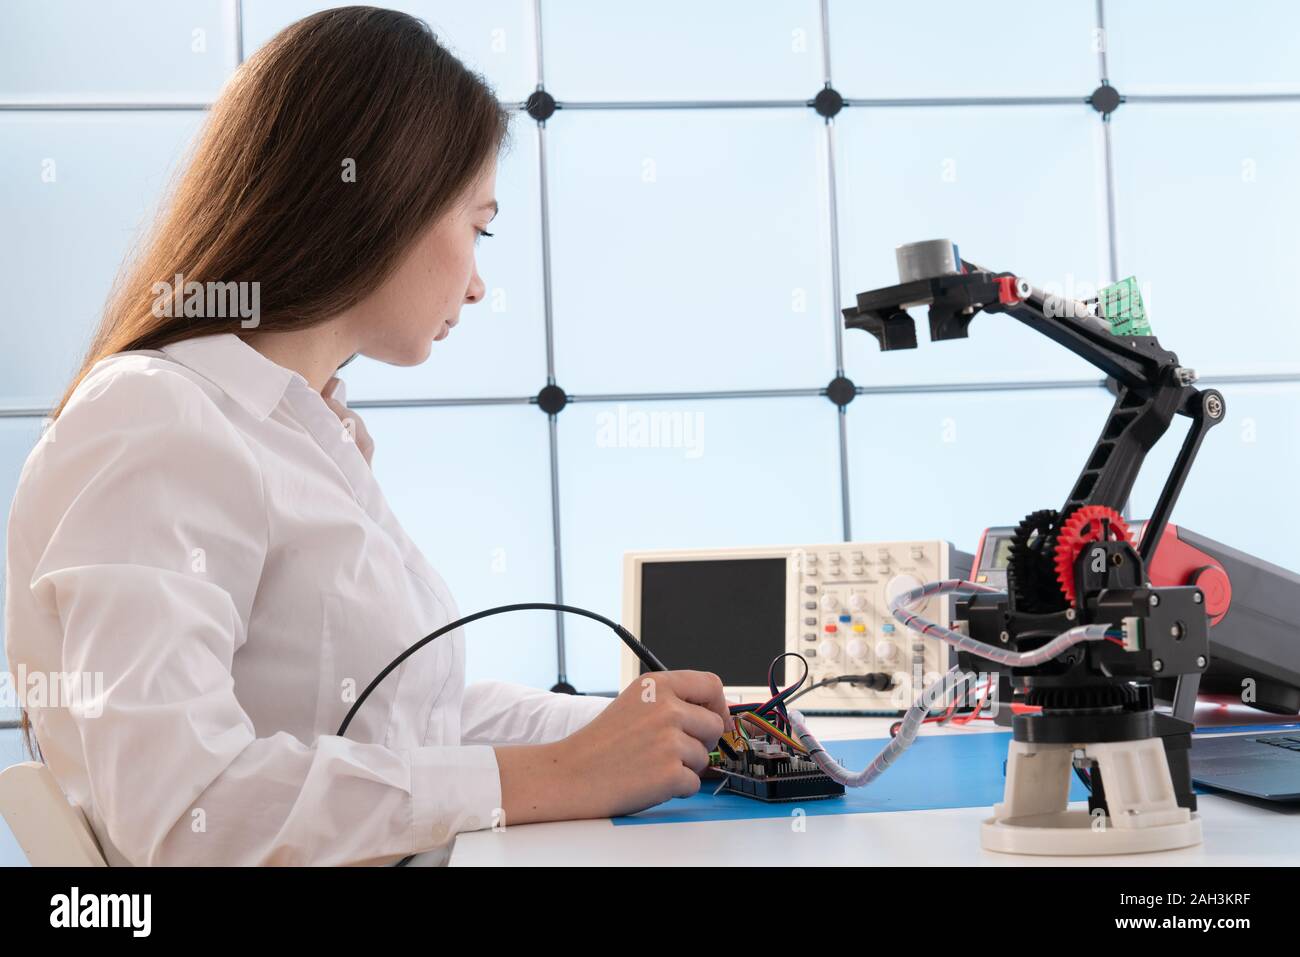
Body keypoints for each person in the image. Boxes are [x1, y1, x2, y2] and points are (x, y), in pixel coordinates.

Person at [3, 6, 727, 867]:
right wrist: (561, 772)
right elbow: (186, 810)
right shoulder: (155, 417)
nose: (479, 283)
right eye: (479, 226)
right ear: (386, 194)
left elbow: (407, 722)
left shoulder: (304, 432)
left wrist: (653, 729)